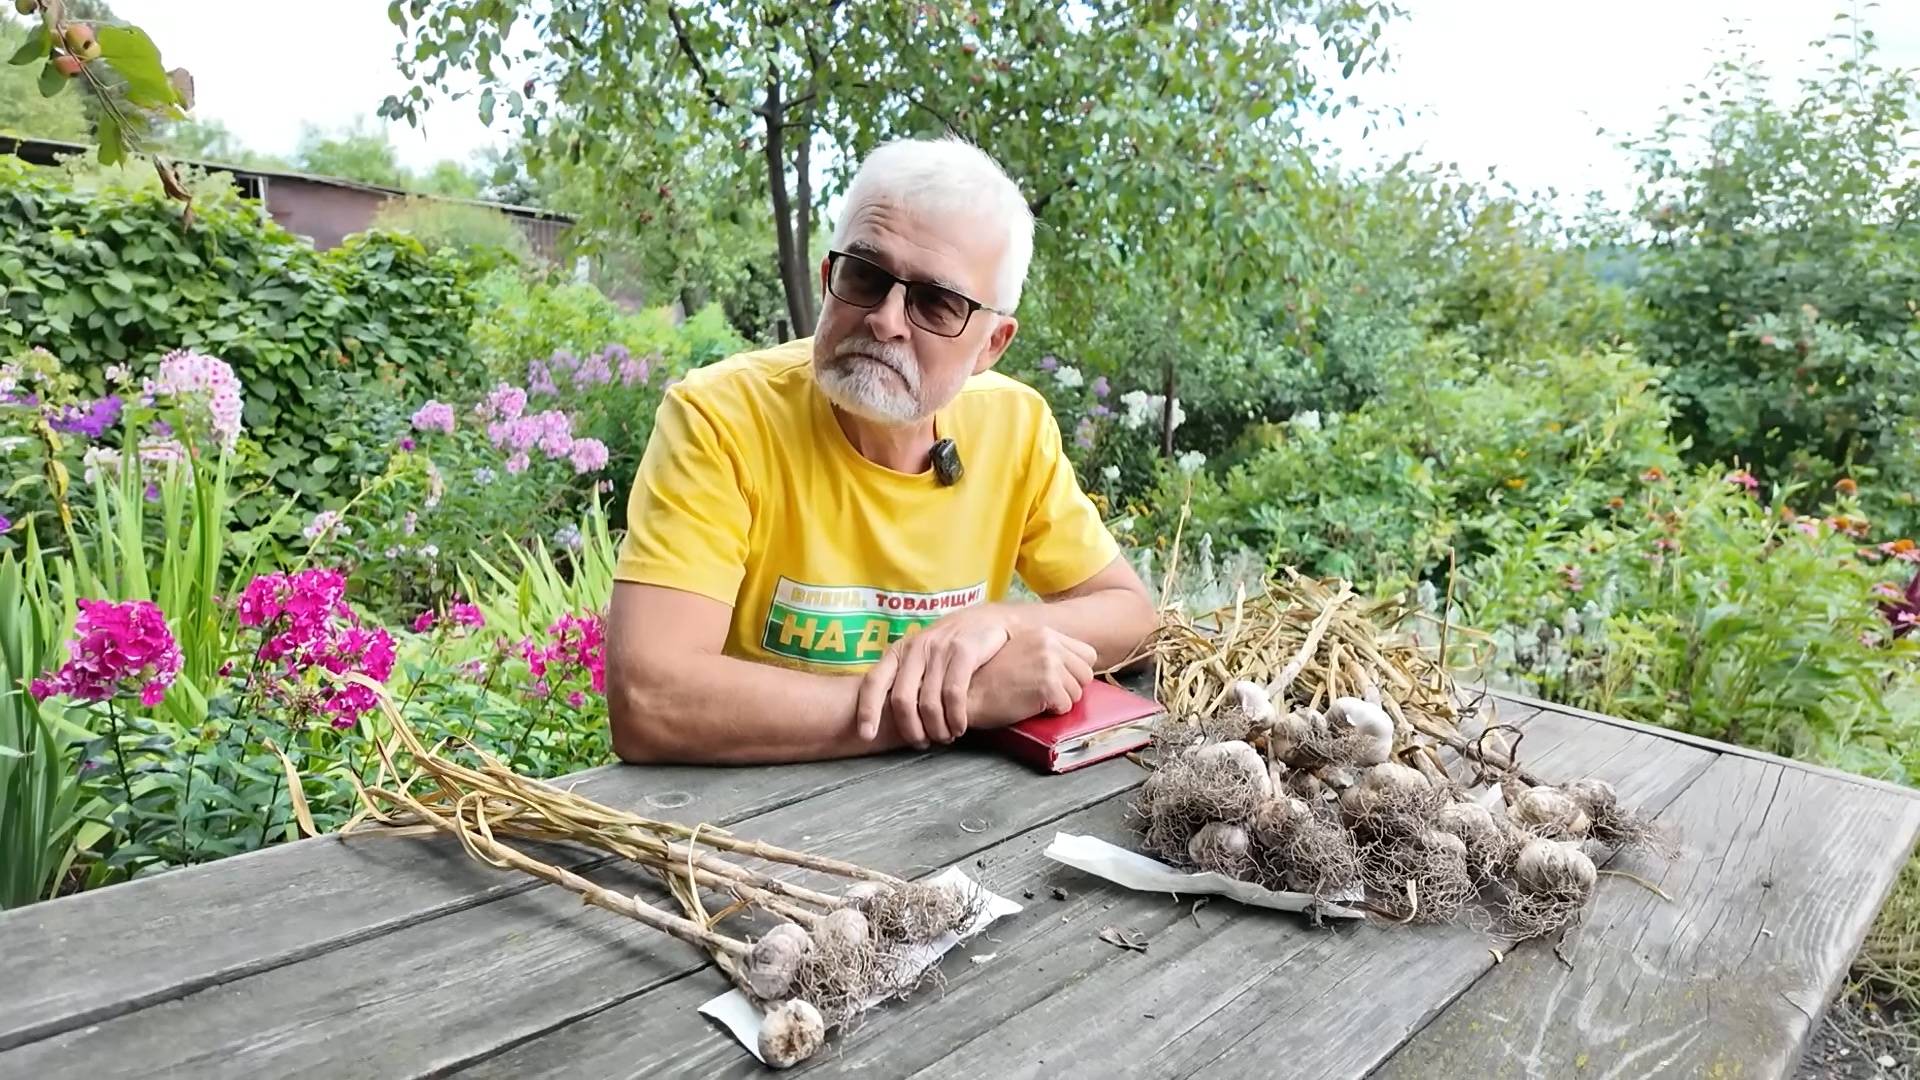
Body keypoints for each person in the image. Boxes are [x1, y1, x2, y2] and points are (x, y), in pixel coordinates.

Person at [604, 135, 1156, 765]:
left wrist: (1003, 623)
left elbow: (1130, 613)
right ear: (828, 278)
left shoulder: (1015, 426)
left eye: (936, 303)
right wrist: (949, 703)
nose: (886, 320)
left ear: (992, 345)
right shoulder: (720, 419)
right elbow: (649, 701)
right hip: (749, 808)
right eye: (865, 276)